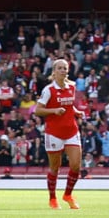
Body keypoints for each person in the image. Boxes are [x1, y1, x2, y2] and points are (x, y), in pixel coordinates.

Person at [34, 58, 85, 209]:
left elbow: (68, 106)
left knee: (76, 166)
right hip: (54, 133)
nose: (63, 70)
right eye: (60, 68)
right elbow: (38, 110)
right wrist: (54, 111)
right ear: (54, 72)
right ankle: (52, 198)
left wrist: (76, 112)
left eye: (65, 68)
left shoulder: (71, 87)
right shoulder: (48, 90)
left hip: (71, 130)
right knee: (55, 167)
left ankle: (68, 195)